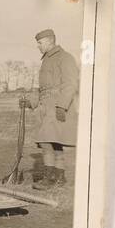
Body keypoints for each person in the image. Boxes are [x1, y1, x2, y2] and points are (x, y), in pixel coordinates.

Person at [25, 27, 79, 190]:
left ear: (49, 41)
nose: (38, 46)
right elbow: (43, 89)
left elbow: (70, 84)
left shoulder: (65, 58)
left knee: (46, 141)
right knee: (54, 143)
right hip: (46, 108)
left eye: (40, 43)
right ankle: (60, 178)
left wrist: (62, 106)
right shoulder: (47, 60)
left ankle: (49, 179)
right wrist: (32, 103)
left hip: (57, 107)